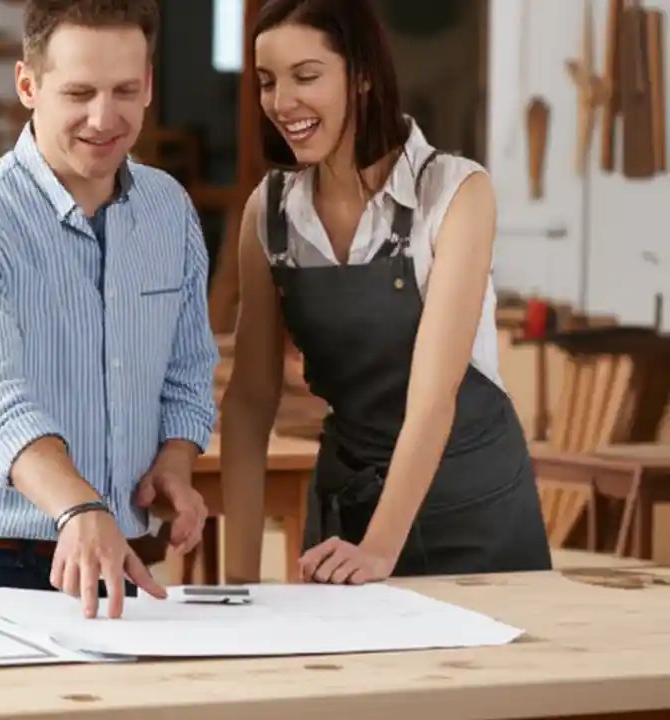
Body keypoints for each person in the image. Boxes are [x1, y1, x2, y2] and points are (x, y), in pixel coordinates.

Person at [219, 0, 552, 585]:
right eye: (269, 82)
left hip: (469, 513)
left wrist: (377, 551)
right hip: (347, 511)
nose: (282, 102)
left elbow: (432, 399)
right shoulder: (269, 215)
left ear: (363, 74)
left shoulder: (455, 193)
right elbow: (249, 403)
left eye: (307, 76)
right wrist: (239, 583)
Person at [0, 0, 220, 618]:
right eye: (79, 93)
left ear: (149, 85)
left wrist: (174, 462)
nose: (104, 119)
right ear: (28, 84)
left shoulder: (169, 211)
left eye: (125, 91)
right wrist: (80, 505)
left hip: (116, 555)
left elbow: (187, 372)